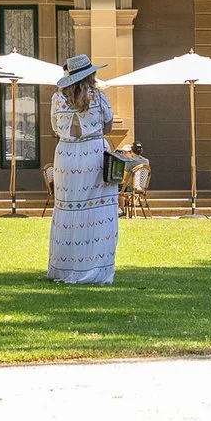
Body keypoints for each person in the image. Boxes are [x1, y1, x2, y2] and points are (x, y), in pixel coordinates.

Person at [47, 54, 119, 285]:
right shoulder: (98, 96)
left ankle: (66, 266)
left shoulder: (57, 98)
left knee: (67, 210)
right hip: (92, 154)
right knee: (98, 212)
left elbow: (56, 128)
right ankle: (93, 266)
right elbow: (108, 126)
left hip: (66, 155)